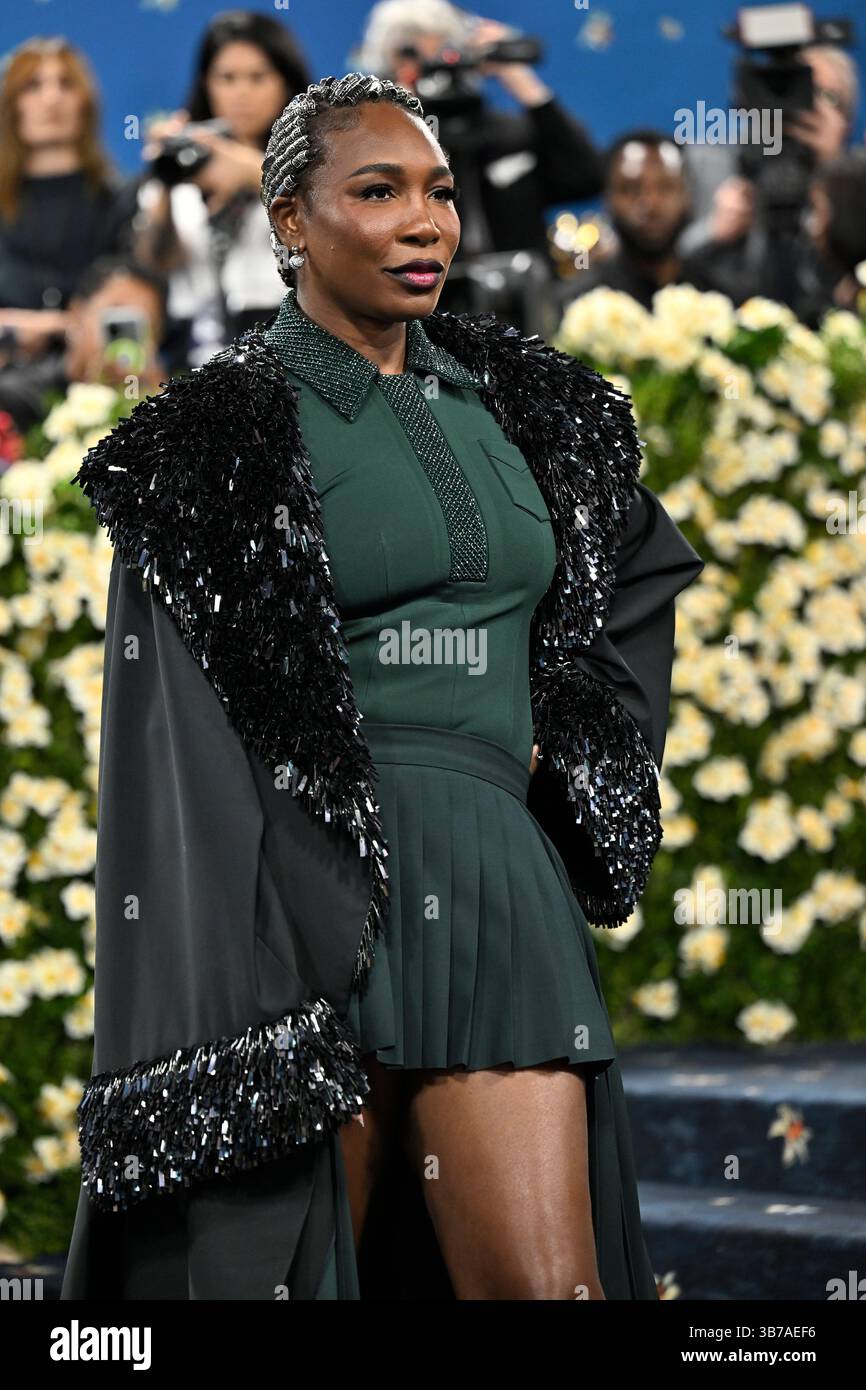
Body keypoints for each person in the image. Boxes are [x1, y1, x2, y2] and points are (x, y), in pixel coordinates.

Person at [59, 72, 705, 1301]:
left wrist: (564, 751)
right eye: (379, 191)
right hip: (308, 916)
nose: (426, 223)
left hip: (499, 882)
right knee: (295, 1276)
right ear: (291, 219)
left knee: (547, 1286)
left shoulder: (536, 410)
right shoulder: (213, 440)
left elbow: (628, 595)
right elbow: (176, 749)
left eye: (441, 194)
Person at [133, 9, 311, 368]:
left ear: (286, 81)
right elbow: (157, 260)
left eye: (257, 77)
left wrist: (251, 170)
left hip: (290, 335)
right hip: (197, 346)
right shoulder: (187, 157)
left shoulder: (316, 158)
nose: (241, 93)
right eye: (226, 78)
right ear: (206, 83)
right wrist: (168, 179)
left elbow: (330, 224)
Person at [0, 37, 138, 362]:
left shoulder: (124, 200)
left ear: (85, 103)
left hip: (103, 378)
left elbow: (139, 307)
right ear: (11, 105)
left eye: (66, 84)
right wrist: (22, 325)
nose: (51, 98)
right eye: (32, 86)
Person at [0, 255, 168, 436]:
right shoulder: (16, 399)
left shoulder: (159, 407)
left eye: (141, 326)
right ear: (76, 315)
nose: (123, 343)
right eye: (115, 321)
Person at [562, 129, 718, 312]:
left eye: (666, 188)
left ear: (688, 196)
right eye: (631, 189)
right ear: (607, 199)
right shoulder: (577, 308)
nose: (651, 204)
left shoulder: (719, 301)